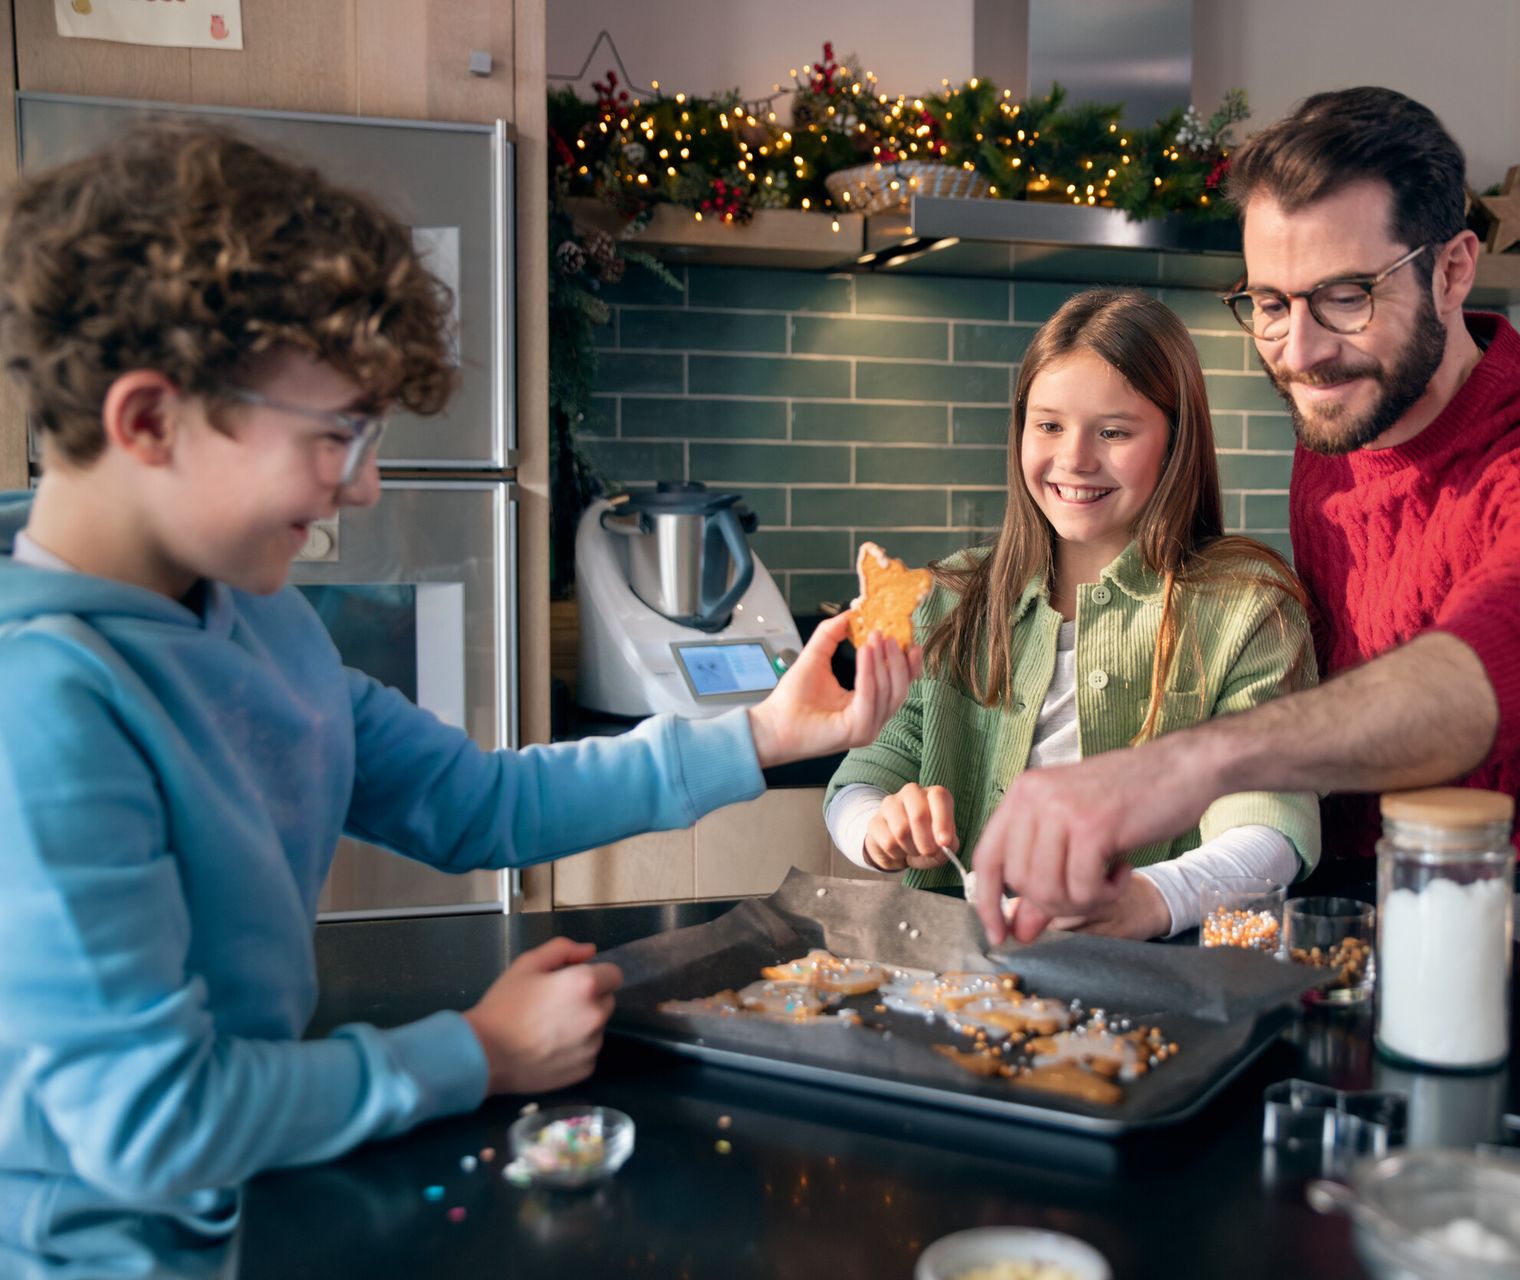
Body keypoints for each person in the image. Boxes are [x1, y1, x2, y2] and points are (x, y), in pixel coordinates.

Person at [0, 121, 918, 1274]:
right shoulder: (44, 708)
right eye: (336, 435)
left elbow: (479, 801)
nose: (366, 484)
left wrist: (768, 732)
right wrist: (476, 1052)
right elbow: (150, 1123)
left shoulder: (248, 615)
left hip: (263, 1190)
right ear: (147, 420)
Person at [970, 86, 1520, 944]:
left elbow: (1512, 654)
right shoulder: (1341, 425)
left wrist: (1187, 764)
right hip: (1316, 917)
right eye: (1270, 304)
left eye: (1346, 296)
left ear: (1452, 271)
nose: (1299, 354)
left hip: (1484, 923)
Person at [823, 289, 1320, 940]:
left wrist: (1149, 900)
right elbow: (859, 782)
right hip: (964, 968)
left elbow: (1270, 825)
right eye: (1049, 426)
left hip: (1162, 967)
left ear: (1175, 442)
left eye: (1114, 432)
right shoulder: (952, 598)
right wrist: (880, 827)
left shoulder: (1247, 604)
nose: (1075, 459)